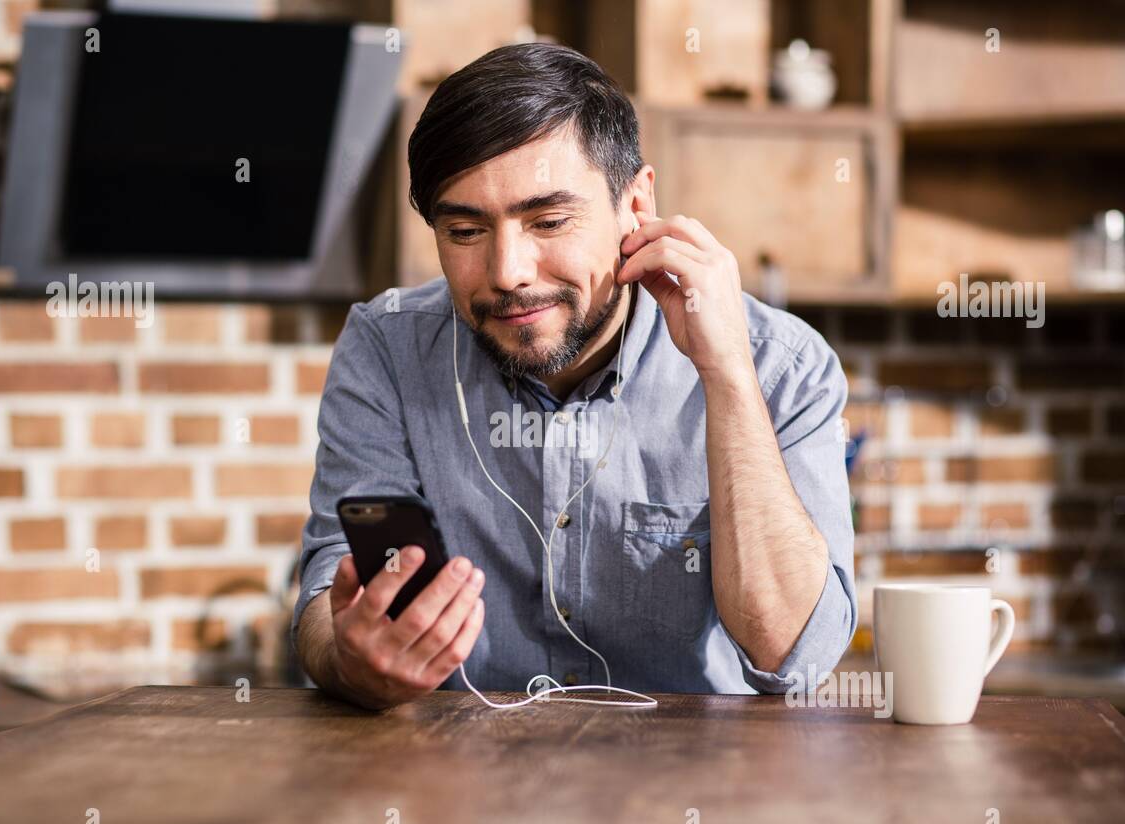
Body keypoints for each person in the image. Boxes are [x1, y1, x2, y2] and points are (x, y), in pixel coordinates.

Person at [292, 42, 856, 710]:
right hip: (455, 784)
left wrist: (728, 374)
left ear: (635, 203)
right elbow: (328, 594)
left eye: (549, 220)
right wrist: (351, 658)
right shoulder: (387, 349)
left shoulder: (780, 364)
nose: (508, 272)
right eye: (466, 232)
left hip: (697, 793)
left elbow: (793, 655)